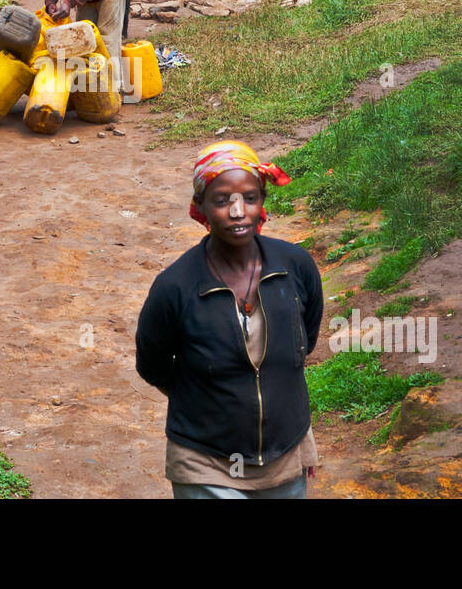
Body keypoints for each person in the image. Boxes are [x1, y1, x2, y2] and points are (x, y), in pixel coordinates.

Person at [135, 140, 323, 499]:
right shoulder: (175, 287)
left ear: (262, 200)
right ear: (201, 206)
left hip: (285, 454)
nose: (238, 211)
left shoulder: (296, 267)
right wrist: (206, 396)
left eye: (249, 198)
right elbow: (152, 364)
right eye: (222, 201)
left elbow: (303, 343)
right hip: (205, 461)